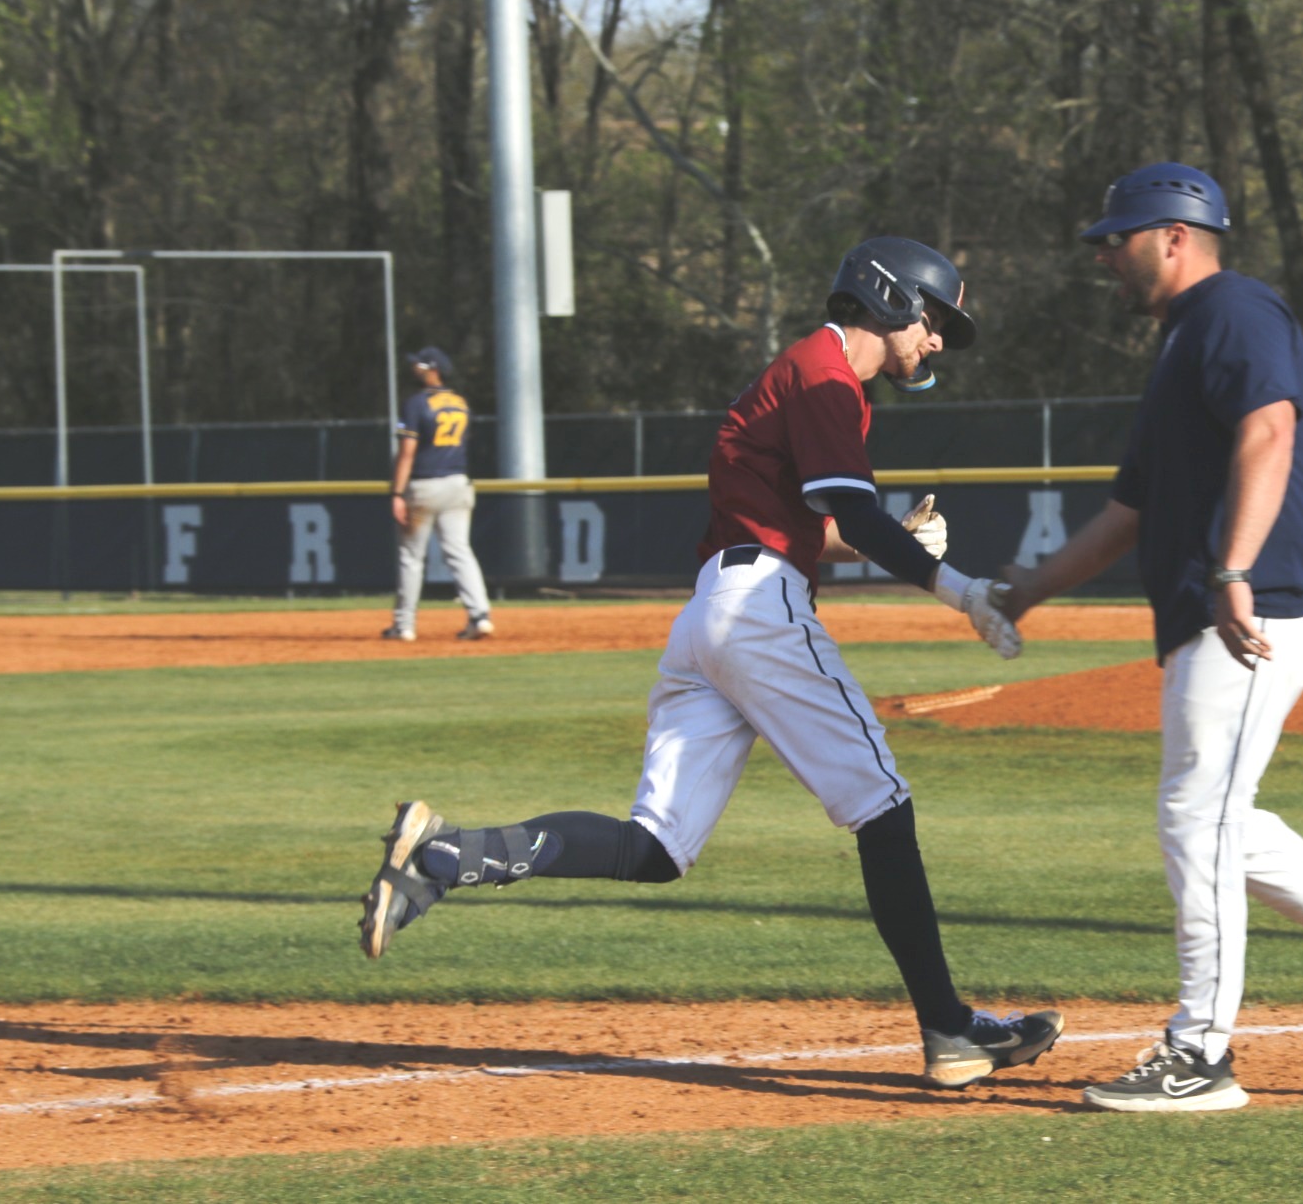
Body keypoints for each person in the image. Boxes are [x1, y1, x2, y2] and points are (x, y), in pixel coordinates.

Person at [359, 238, 1064, 1089]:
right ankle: (950, 1029)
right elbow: (843, 506)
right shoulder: (827, 371)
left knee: (655, 845)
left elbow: (818, 526)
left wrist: (895, 541)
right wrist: (957, 590)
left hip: (711, 614)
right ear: (885, 298)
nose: (938, 338)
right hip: (760, 610)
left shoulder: (812, 372)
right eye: (933, 315)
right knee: (883, 806)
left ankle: (444, 855)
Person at [999, 163, 1303, 1112]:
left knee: (1195, 817)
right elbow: (1130, 507)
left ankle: (1200, 1052)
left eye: (1116, 237)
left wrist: (1235, 568)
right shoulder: (1182, 340)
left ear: (1173, 235)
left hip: (1256, 601)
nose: (1103, 255)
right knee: (1216, 820)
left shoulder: (1235, 310)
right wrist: (1026, 592)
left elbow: (1271, 429)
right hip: (1223, 600)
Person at [383, 346, 495, 642]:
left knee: (411, 557)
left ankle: (404, 625)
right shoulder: (460, 403)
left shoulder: (417, 404)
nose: (413, 369)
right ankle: (479, 615)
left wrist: (396, 492)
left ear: (431, 370)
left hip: (424, 487)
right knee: (459, 551)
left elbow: (407, 452)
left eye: (418, 365)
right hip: (458, 484)